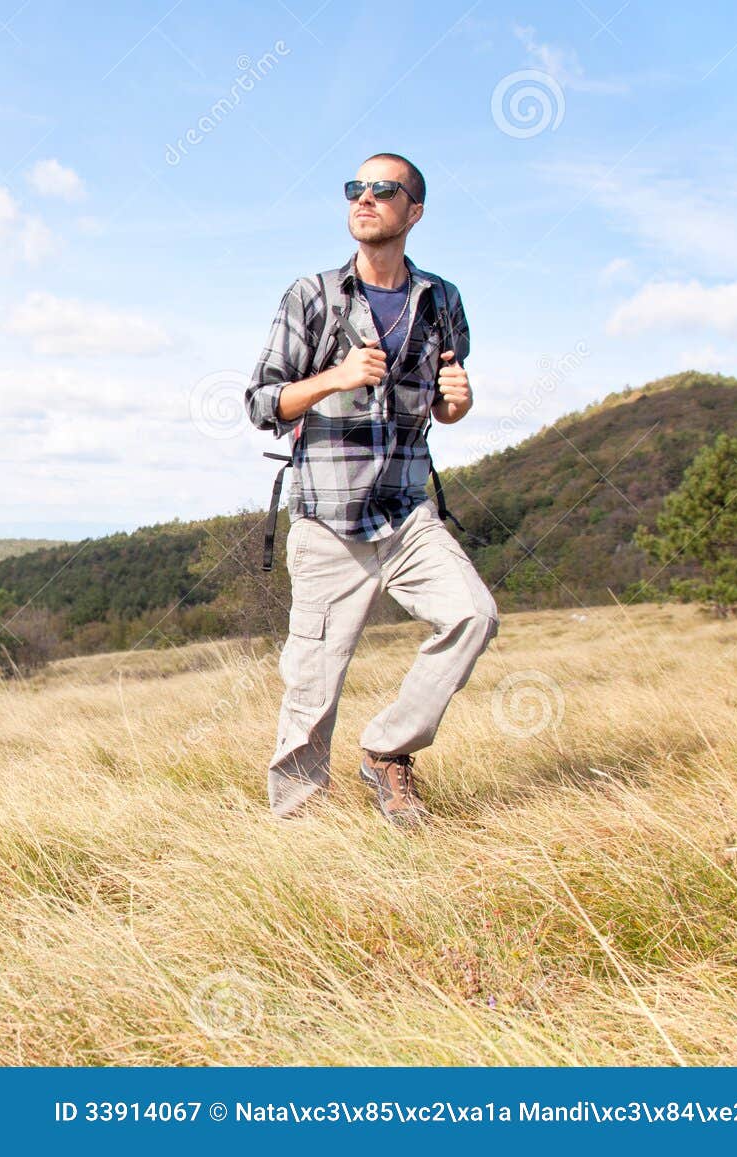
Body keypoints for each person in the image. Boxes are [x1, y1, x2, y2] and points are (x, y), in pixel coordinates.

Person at [243, 152, 499, 828]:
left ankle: (389, 749)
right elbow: (262, 402)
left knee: (474, 614)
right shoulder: (313, 296)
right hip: (330, 518)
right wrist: (335, 376)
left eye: (385, 190)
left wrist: (459, 403)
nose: (366, 198)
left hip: (408, 512)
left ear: (413, 212)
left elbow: (441, 408)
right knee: (312, 686)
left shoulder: (442, 301)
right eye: (356, 188)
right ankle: (298, 827)